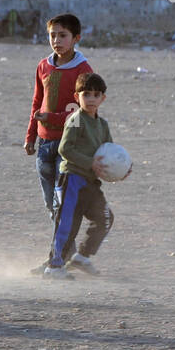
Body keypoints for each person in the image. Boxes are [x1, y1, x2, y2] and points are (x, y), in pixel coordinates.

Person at [41, 73, 115, 279]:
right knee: (67, 224)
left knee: (105, 218)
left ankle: (82, 256)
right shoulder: (75, 120)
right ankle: (54, 266)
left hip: (91, 182)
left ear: (103, 98)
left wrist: (121, 169)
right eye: (86, 94)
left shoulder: (103, 125)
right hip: (71, 179)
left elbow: (110, 151)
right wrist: (89, 162)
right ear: (77, 97)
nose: (91, 99)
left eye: (96, 94)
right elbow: (65, 149)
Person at [24, 13, 93, 219]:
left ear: (76, 39)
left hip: (69, 143)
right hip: (44, 144)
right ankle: (63, 242)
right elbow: (37, 102)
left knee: (61, 200)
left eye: (63, 35)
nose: (56, 41)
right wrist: (30, 136)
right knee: (50, 203)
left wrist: (51, 118)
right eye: (52, 36)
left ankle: (61, 248)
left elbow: (84, 112)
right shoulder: (43, 66)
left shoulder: (83, 70)